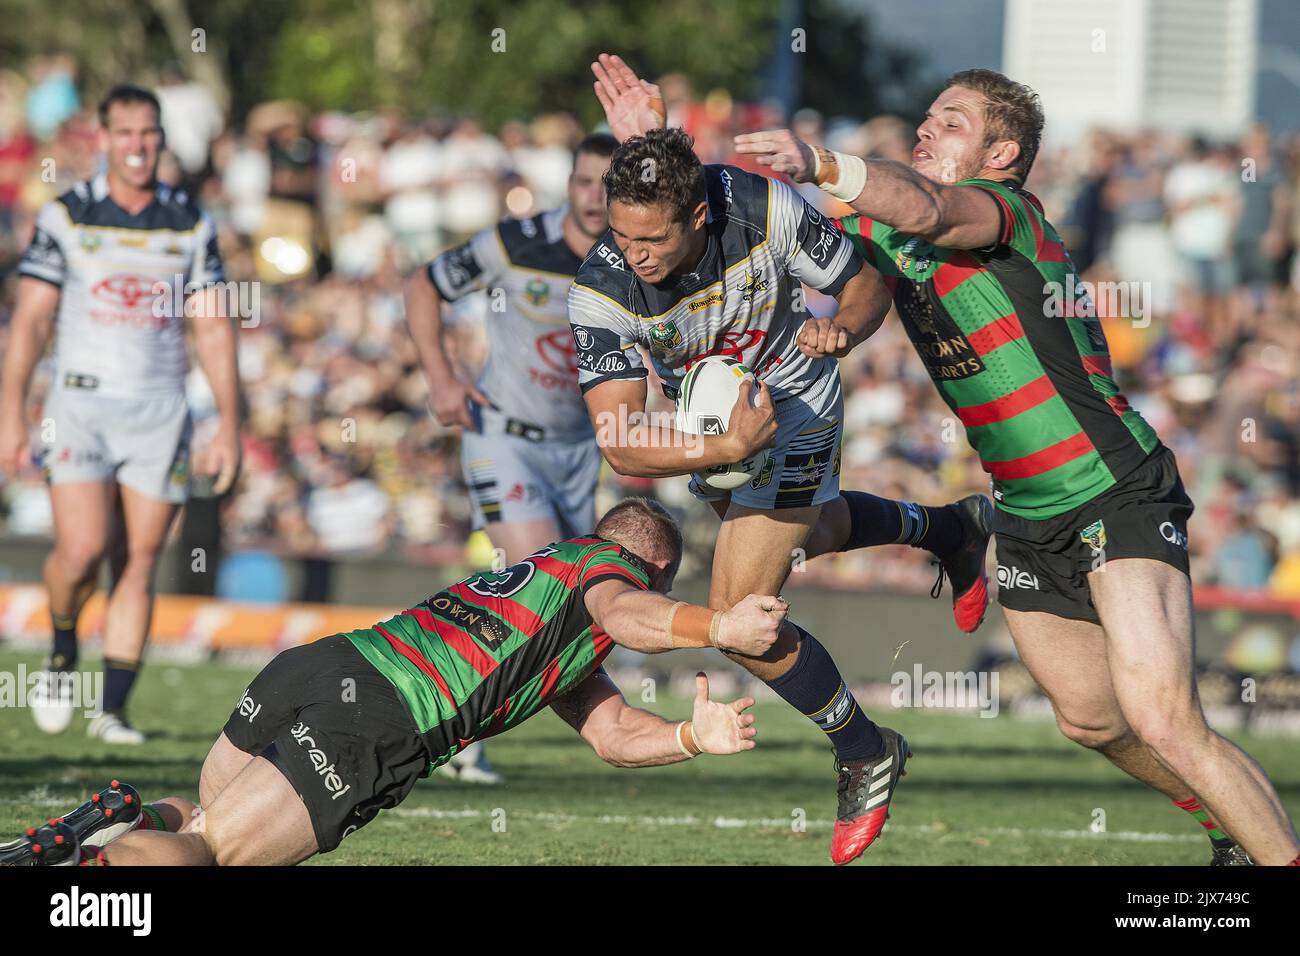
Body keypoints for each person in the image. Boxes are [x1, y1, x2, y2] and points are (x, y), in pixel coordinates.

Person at [722, 68, 1299, 865]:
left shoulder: (1008, 216)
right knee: (1091, 719)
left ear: (1003, 152)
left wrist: (821, 161)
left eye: (951, 123)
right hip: (1024, 511)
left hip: (1113, 489)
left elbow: (925, 206)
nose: (927, 130)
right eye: (925, 118)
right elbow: (836, 268)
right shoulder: (889, 233)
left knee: (1165, 719)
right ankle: (1225, 834)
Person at [566, 57, 996, 866]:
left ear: (697, 214)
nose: (636, 254)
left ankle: (865, 749)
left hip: (797, 403)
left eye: (653, 238)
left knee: (737, 618)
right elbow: (620, 438)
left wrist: (845, 331)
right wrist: (721, 447)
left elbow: (866, 277)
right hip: (717, 433)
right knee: (813, 531)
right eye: (621, 236)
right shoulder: (600, 288)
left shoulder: (762, 206)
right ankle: (946, 528)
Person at [3, 498, 786, 866]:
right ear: (649, 564)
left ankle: (107, 820)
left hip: (323, 664)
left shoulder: (549, 612)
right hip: (386, 716)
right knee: (215, 854)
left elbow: (612, 733)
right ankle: (78, 888)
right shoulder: (607, 573)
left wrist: (689, 736)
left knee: (207, 814)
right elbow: (627, 608)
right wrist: (716, 627)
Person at [0, 84, 242, 745]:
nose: (139, 146)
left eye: (149, 133)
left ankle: (112, 709)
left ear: (162, 140)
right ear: (102, 138)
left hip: (160, 409)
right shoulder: (65, 216)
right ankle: (58, 652)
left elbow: (214, 329)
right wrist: (11, 413)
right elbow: (31, 320)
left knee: (136, 562)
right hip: (78, 403)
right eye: (126, 133)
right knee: (80, 552)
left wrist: (229, 421)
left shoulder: (191, 222)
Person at [405, 132, 619, 784]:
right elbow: (424, 285)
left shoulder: (634, 257)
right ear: (569, 183)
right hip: (502, 435)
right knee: (542, 582)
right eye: (584, 181)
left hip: (582, 451)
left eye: (608, 185)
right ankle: (464, 731)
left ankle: (433, 669)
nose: (594, 196)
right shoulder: (515, 242)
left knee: (555, 597)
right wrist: (441, 377)